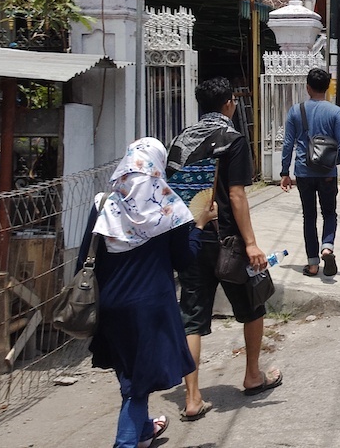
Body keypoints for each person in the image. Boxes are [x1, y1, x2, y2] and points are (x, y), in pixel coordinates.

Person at [81, 137, 208, 448]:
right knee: (138, 387)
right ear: (157, 167)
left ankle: (143, 431)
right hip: (151, 309)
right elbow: (185, 260)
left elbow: (85, 258)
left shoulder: (103, 205)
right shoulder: (169, 206)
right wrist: (200, 226)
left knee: (130, 375)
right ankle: (126, 442)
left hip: (111, 307)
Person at [167, 77, 282, 421]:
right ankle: (252, 375)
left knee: (192, 318)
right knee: (253, 305)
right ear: (230, 103)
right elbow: (236, 195)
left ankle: (191, 398)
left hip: (189, 236)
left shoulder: (179, 141)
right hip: (227, 241)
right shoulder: (231, 139)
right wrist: (251, 243)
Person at [279, 68, 340, 278]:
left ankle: (312, 264)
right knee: (329, 212)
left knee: (308, 216)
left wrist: (285, 172)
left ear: (308, 87)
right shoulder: (336, 112)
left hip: (303, 171)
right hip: (327, 171)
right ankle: (327, 247)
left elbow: (287, 144)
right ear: (327, 87)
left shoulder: (295, 111)